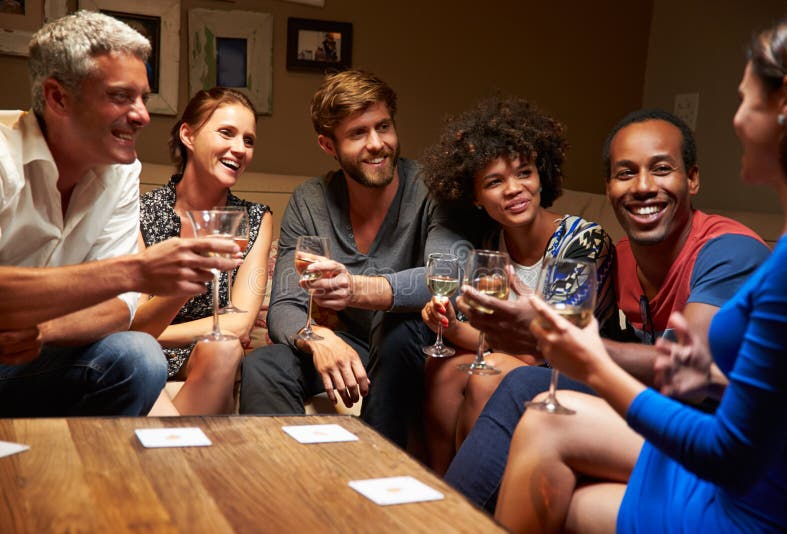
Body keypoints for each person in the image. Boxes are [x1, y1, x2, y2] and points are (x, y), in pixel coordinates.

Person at [495, 13, 787, 532]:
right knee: (552, 457)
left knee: (546, 421)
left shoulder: (782, 264)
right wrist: (713, 378)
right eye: (624, 173)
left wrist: (592, 362)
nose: (734, 118)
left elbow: (730, 456)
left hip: (750, 508)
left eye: (745, 99)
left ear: (785, 102)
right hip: (752, 477)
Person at [444, 108, 771, 511]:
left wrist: (558, 339)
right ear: (610, 186)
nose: (644, 186)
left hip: (720, 430)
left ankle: (441, 519)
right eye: (626, 173)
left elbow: (685, 369)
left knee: (523, 387)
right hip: (652, 408)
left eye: (662, 168)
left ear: (693, 178)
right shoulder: (622, 258)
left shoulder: (727, 252)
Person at [0, 11, 239, 417]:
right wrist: (135, 271)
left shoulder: (123, 172)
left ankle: (94, 477)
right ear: (59, 98)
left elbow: (120, 308)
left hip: (31, 359)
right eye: (120, 96)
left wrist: (43, 332)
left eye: (143, 97)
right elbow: (127, 282)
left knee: (139, 355)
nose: (142, 115)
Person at [239, 69, 464, 447]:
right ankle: (282, 487)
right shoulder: (311, 201)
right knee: (265, 363)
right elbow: (285, 305)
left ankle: (374, 473)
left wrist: (354, 289)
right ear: (328, 145)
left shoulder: (431, 189)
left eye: (383, 127)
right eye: (358, 133)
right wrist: (318, 337)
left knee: (397, 329)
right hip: (352, 345)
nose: (377, 144)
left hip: (415, 347)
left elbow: (448, 276)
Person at [419, 96, 617, 474]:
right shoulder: (492, 246)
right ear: (475, 197)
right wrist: (449, 325)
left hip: (578, 367)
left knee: (484, 374)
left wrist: (487, 339)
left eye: (524, 172)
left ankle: (469, 500)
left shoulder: (582, 240)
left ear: (542, 175)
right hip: (523, 355)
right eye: (495, 182)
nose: (514, 189)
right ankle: (440, 484)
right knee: (441, 369)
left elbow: (552, 344)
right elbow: (489, 336)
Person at [134, 88, 272, 415]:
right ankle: (181, 456)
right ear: (188, 135)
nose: (239, 149)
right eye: (226, 133)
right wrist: (190, 280)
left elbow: (238, 325)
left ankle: (175, 454)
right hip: (142, 351)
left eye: (248, 140)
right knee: (135, 351)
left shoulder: (254, 219)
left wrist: (157, 334)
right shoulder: (140, 212)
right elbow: (134, 324)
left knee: (224, 347)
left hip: (204, 352)